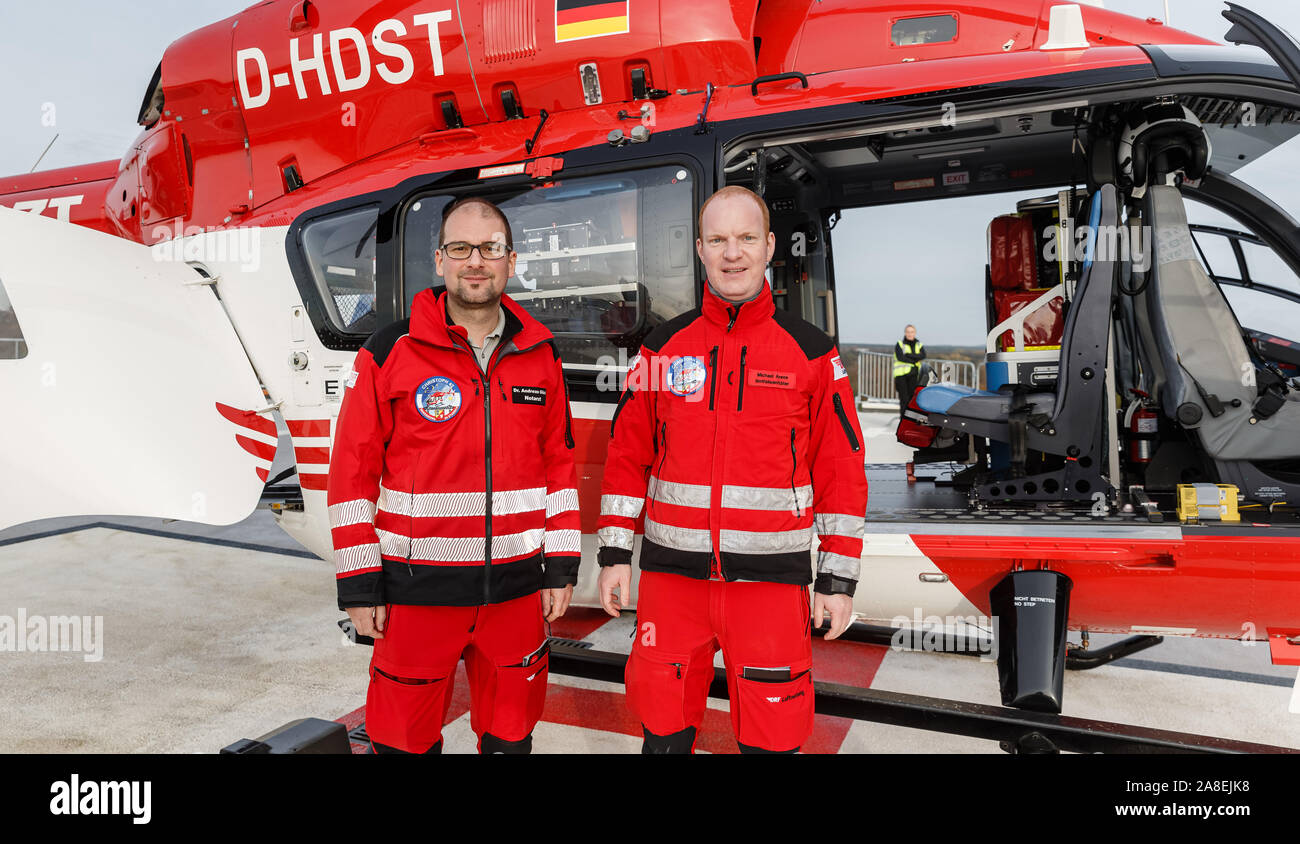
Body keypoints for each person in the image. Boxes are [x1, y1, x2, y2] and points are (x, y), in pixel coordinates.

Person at [595, 185, 868, 753]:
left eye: (746, 238)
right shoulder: (661, 349)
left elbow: (841, 468)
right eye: (718, 239)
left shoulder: (812, 352)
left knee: (773, 737)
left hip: (769, 587)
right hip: (673, 584)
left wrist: (838, 581)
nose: (732, 252)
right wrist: (616, 554)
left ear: (769, 246)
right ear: (700, 249)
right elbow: (627, 453)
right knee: (662, 731)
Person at [327, 196, 580, 754]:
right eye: (461, 248)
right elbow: (351, 480)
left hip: (515, 594)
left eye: (490, 249)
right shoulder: (388, 352)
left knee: (511, 737)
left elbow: (558, 467)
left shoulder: (541, 353)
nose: (476, 262)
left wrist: (560, 567)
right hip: (417, 596)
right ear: (440, 260)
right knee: (403, 741)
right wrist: (360, 585)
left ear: (510, 262)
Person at [893, 324, 925, 418]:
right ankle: (903, 419)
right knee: (904, 399)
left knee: (912, 398)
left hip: (914, 374)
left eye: (911, 332)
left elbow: (922, 356)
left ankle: (910, 420)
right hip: (901, 376)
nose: (909, 334)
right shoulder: (899, 344)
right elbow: (900, 357)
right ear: (905, 333)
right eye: (908, 332)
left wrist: (908, 355)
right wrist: (914, 359)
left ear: (914, 333)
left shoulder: (919, 344)